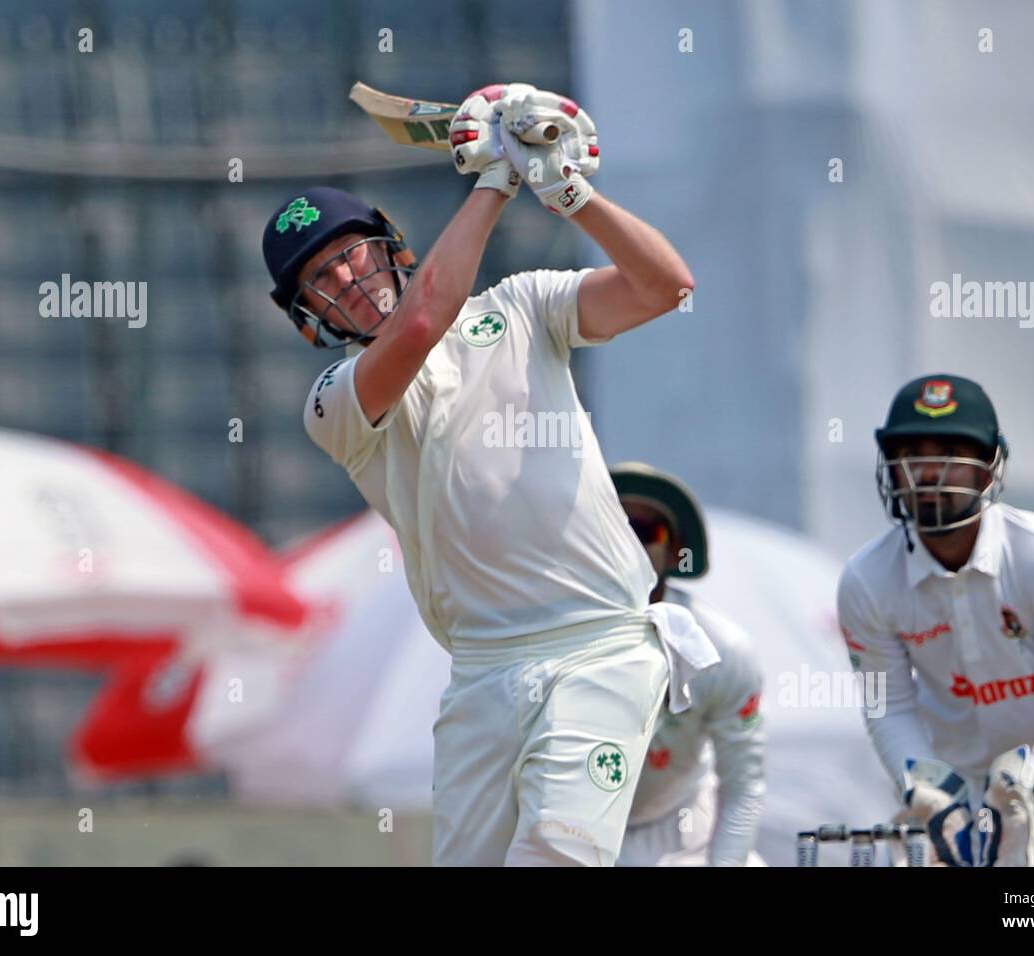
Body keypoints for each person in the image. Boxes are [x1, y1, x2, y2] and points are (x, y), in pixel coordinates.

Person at [261, 83, 708, 866]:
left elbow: (665, 287)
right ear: (308, 319)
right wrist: (499, 178)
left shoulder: (526, 307)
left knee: (555, 855)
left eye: (351, 254)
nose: (346, 280)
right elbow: (424, 322)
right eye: (320, 281)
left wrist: (570, 193)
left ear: (390, 243)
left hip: (598, 642)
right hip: (480, 671)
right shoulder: (337, 402)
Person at [836, 374, 1034, 866]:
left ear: (987, 470)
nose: (930, 471)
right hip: (960, 791)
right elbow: (888, 707)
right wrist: (926, 788)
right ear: (892, 469)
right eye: (912, 453)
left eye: (951, 453)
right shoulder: (866, 580)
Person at [609, 463, 767, 867]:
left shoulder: (721, 650)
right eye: (611, 523)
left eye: (646, 531)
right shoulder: (548, 639)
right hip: (572, 831)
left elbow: (743, 786)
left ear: (677, 550)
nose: (628, 542)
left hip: (682, 831)